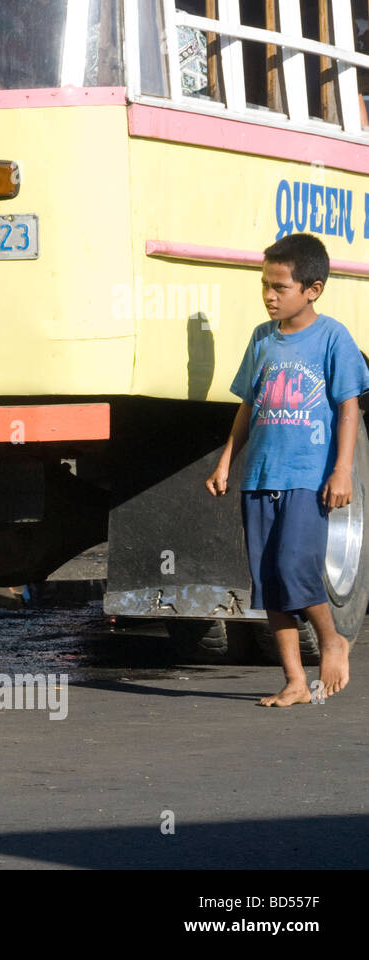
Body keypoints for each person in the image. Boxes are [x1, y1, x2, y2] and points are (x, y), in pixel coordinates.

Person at [207, 233, 369, 706]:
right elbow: (248, 405)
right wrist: (226, 461)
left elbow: (349, 408)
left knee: (294, 566)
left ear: (313, 289)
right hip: (260, 476)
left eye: (280, 287)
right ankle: (295, 681)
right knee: (268, 583)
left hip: (307, 476)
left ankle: (332, 639)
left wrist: (342, 470)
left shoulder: (333, 337)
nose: (269, 295)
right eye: (265, 285)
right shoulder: (262, 338)